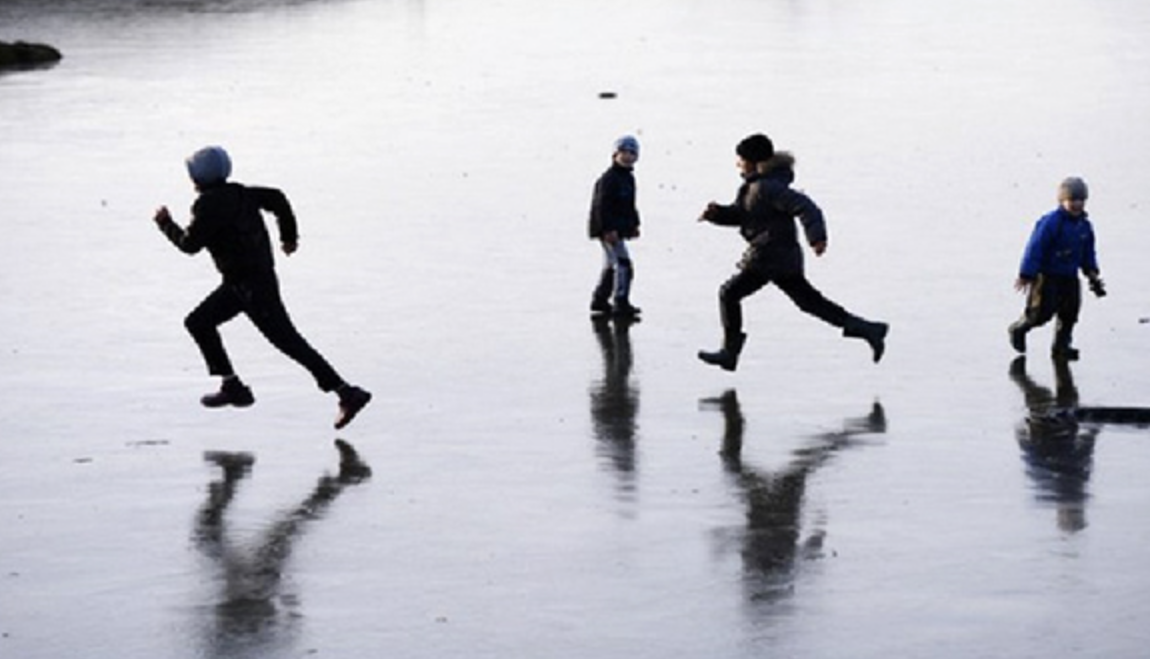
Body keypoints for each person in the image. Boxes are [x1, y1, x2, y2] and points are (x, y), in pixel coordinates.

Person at [153, 146, 371, 429]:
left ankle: (347, 393)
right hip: (244, 284)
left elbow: (189, 245)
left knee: (289, 342)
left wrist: (165, 223)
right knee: (198, 322)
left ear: (197, 179)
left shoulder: (206, 205)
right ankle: (232, 386)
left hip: (251, 288)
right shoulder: (242, 193)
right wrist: (289, 236)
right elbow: (277, 199)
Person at [696, 133, 888, 371]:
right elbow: (743, 215)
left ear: (753, 161)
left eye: (741, 159)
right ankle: (868, 329)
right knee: (809, 302)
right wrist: (718, 215)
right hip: (782, 258)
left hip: (768, 255)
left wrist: (817, 237)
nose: (737, 163)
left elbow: (806, 207)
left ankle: (729, 352)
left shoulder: (767, 187)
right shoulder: (754, 186)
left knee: (729, 293)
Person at [1009, 177, 1105, 361]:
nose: (1077, 204)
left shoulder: (1085, 226)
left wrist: (1092, 272)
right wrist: (1026, 274)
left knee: (1070, 313)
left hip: (1070, 276)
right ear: (1062, 201)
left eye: (1081, 200)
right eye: (1072, 200)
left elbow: (1088, 251)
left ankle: (1061, 346)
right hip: (1047, 277)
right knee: (1041, 313)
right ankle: (1019, 328)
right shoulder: (1052, 222)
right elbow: (1035, 247)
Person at [588, 135, 642, 318]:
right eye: (624, 152)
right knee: (623, 264)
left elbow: (630, 205)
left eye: (632, 153)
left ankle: (600, 300)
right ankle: (620, 301)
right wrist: (607, 229)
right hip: (607, 229)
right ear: (615, 154)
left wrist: (634, 224)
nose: (628, 156)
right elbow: (601, 206)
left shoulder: (628, 178)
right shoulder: (609, 179)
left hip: (618, 228)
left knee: (612, 264)